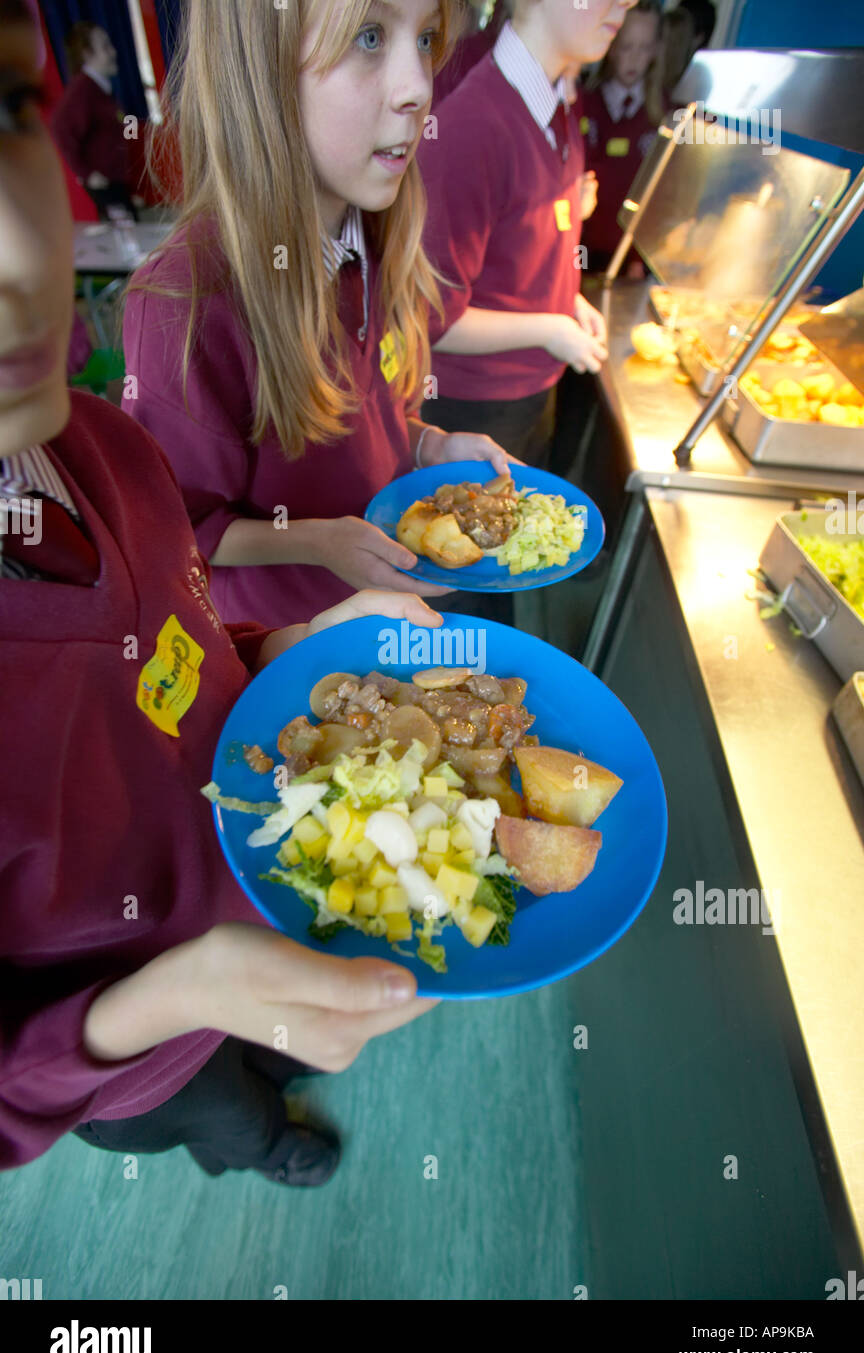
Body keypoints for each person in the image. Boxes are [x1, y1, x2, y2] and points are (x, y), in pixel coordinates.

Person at [0, 0, 442, 1188]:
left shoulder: (85, 441)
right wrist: (172, 995)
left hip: (255, 846)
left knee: (285, 1029)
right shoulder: (181, 306)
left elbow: (169, 633)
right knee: (227, 1112)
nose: (22, 247)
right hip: (141, 1049)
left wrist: (280, 637)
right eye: (364, 39)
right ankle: (258, 1145)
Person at [122, 0, 519, 634]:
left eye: (425, 40)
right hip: (278, 648)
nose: (419, 87)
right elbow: (178, 531)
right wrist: (319, 542)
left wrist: (429, 444)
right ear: (263, 71)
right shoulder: (187, 301)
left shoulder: (379, 233)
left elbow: (370, 417)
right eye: (368, 37)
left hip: (386, 613)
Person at [418, 0, 638, 471]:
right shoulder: (473, 126)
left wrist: (567, 302)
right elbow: (433, 316)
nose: (628, 4)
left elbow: (521, 248)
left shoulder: (555, 106)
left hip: (532, 388)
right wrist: (551, 327)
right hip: (474, 404)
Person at [580, 0, 665, 277]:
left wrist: (641, 258)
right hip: (581, 248)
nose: (634, 59)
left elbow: (661, 197)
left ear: (654, 51)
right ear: (611, 44)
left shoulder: (664, 115)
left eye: (643, 48)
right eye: (627, 47)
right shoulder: (583, 103)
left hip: (629, 259)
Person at [49, 20, 141, 221]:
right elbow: (59, 130)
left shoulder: (102, 89)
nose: (113, 52)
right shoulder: (82, 90)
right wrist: (87, 173)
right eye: (105, 47)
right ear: (87, 54)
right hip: (105, 186)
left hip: (117, 181)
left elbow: (121, 126)